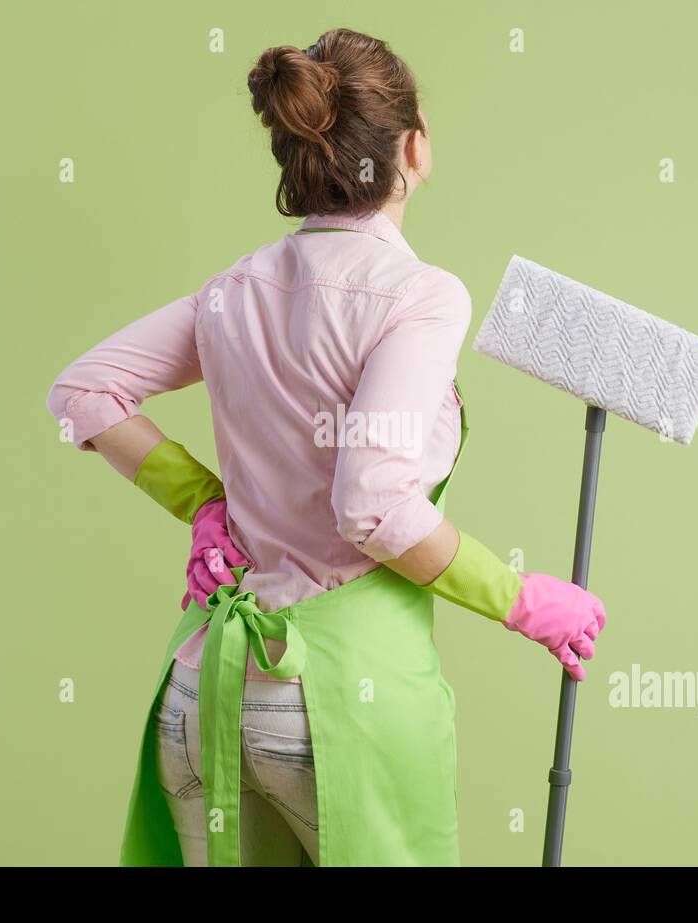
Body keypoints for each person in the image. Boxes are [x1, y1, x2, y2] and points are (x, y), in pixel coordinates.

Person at [45, 27, 607, 867]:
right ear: (414, 147)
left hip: (203, 696)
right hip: (335, 708)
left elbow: (78, 395)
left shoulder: (234, 291)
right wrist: (522, 599)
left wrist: (203, 506)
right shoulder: (419, 297)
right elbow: (371, 506)